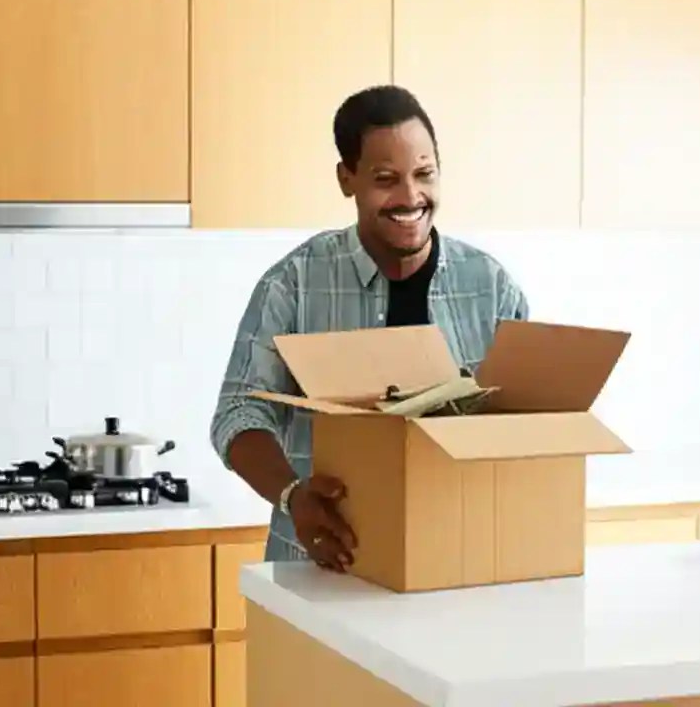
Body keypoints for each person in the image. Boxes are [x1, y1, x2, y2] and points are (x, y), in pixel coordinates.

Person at [208, 85, 530, 571]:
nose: (410, 197)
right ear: (346, 179)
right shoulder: (293, 284)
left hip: (457, 563)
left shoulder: (491, 285)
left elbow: (528, 417)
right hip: (319, 567)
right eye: (386, 179)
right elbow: (237, 414)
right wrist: (293, 495)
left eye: (424, 174)